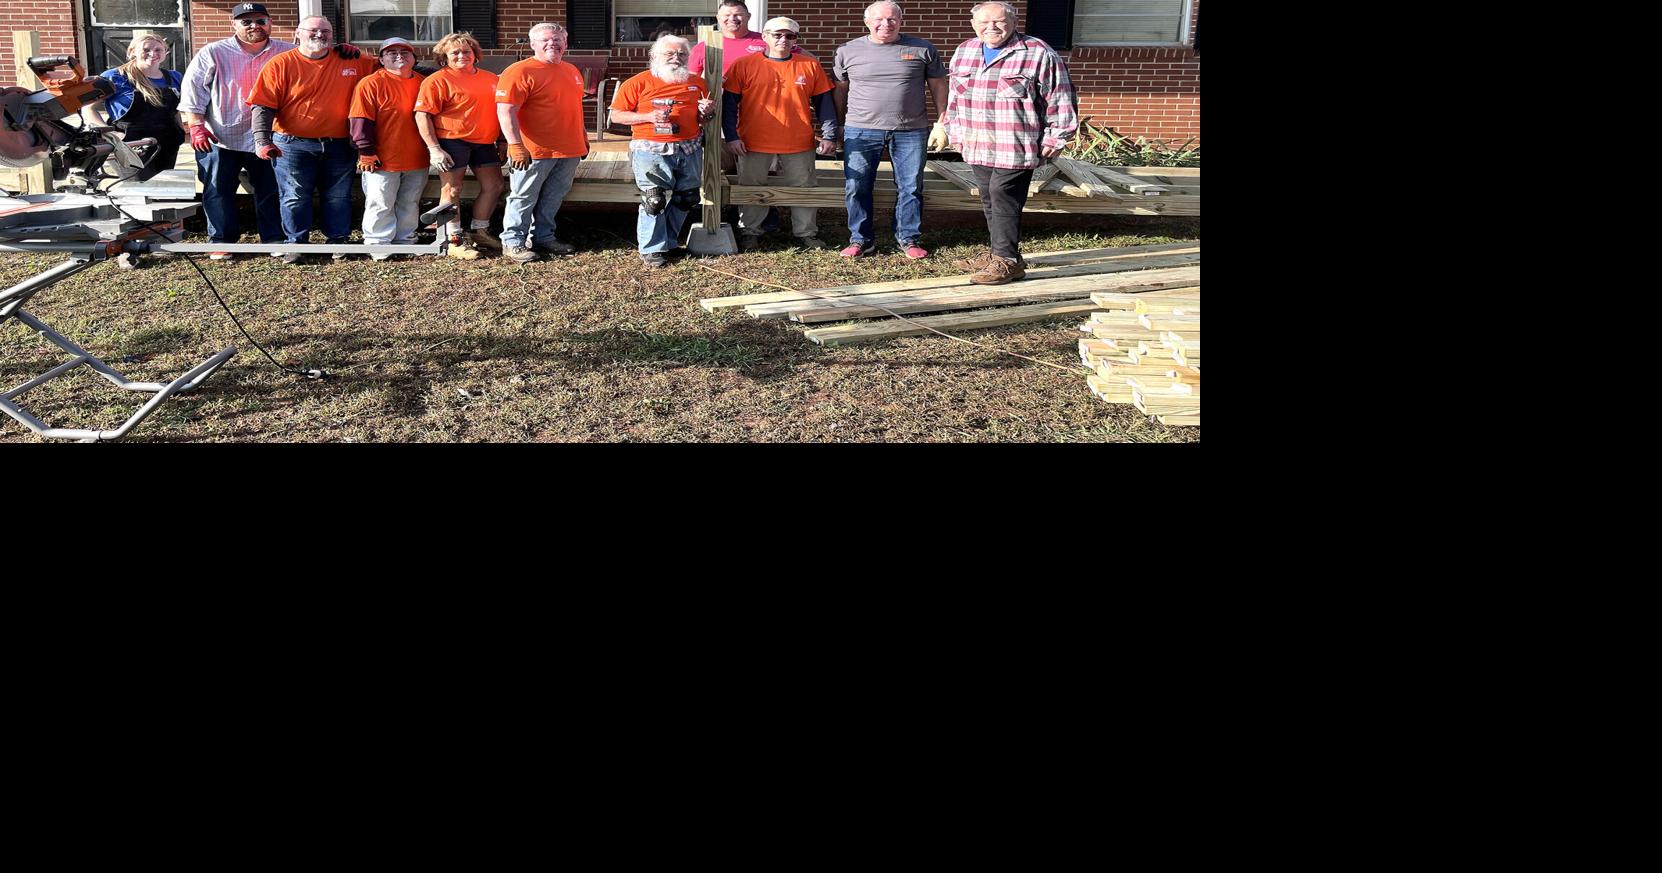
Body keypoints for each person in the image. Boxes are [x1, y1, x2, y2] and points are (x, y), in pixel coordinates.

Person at [943, 2, 1078, 285]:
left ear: (1014, 22)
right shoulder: (965, 50)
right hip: (976, 140)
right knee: (988, 196)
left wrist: (1057, 135)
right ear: (973, 24)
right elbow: (955, 97)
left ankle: (1006, 261)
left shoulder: (1037, 52)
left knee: (1002, 193)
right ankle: (1001, 254)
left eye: (999, 21)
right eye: (984, 22)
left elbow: (1060, 96)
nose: (991, 27)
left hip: (1015, 142)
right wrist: (953, 131)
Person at [247, 15, 375, 264]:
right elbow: (262, 106)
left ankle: (338, 241)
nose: (320, 35)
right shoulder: (280, 64)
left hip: (339, 143)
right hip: (292, 144)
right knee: (294, 196)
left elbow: (393, 67)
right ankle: (296, 243)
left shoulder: (352, 60)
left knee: (338, 196)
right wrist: (262, 140)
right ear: (297, 33)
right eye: (313, 30)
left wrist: (445, 73)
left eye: (325, 31)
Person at [178, 3, 295, 260]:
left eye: (260, 20)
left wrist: (344, 52)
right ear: (234, 24)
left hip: (269, 136)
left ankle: (274, 237)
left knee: (271, 189)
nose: (254, 26)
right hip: (220, 136)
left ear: (270, 23)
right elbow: (193, 91)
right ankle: (221, 239)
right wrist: (196, 126)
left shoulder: (288, 52)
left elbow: (318, 60)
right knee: (217, 189)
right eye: (246, 21)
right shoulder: (213, 52)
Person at [832, 1, 948, 260]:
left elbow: (939, 86)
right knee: (856, 186)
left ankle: (908, 238)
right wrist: (839, 125)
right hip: (861, 130)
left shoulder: (923, 48)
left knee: (911, 186)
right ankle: (860, 240)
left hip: (911, 130)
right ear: (867, 22)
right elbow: (840, 91)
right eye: (879, 19)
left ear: (901, 21)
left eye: (892, 19)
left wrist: (941, 123)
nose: (886, 24)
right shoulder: (847, 51)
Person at [722, 17, 836, 251]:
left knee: (804, 189)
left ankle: (806, 233)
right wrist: (731, 136)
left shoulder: (810, 65)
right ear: (764, 36)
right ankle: (750, 231)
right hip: (753, 141)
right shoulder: (744, 65)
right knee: (751, 188)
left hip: (799, 142)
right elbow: (729, 105)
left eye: (790, 35)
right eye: (777, 34)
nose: (783, 39)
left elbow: (824, 104)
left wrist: (829, 134)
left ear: (796, 40)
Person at [609, 35, 716, 268]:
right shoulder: (638, 82)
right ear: (654, 56)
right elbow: (616, 116)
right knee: (654, 199)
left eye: (682, 54)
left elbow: (702, 119)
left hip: (689, 147)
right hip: (651, 148)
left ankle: (668, 242)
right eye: (669, 53)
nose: (676, 58)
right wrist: (648, 116)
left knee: (687, 198)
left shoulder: (697, 83)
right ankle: (652, 249)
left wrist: (708, 113)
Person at [495, 22, 588, 264]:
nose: (552, 44)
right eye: (545, 40)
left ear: (565, 43)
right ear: (533, 44)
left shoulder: (571, 70)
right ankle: (513, 241)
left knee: (553, 197)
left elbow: (574, 107)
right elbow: (506, 110)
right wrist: (515, 144)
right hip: (533, 150)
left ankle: (543, 237)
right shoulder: (519, 71)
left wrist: (583, 137)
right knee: (523, 197)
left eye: (557, 40)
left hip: (568, 149)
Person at [415, 31, 503, 260]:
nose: (462, 55)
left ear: (475, 54)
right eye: (455, 52)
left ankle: (479, 231)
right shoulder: (437, 80)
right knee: (452, 189)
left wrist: (503, 140)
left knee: (494, 185)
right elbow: (422, 115)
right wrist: (434, 148)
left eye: (466, 51)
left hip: (484, 142)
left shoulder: (491, 78)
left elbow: (502, 112)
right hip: (452, 140)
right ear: (444, 57)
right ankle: (453, 238)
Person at [349, 37, 428, 260]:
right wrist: (366, 151)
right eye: (392, 53)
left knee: (409, 201)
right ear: (381, 60)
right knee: (380, 202)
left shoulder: (424, 83)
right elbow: (360, 119)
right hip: (382, 158)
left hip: (417, 156)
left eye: (405, 52)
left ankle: (405, 239)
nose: (399, 56)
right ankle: (378, 243)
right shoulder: (370, 84)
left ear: (414, 59)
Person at [89, 35, 185, 182]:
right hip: (130, 144)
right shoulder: (114, 77)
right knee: (139, 188)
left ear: (165, 52)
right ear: (132, 51)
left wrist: (181, 130)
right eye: (146, 49)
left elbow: (175, 110)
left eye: (158, 49)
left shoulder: (174, 77)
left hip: (166, 142)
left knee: (163, 186)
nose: (152, 54)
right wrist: (110, 134)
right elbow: (88, 109)